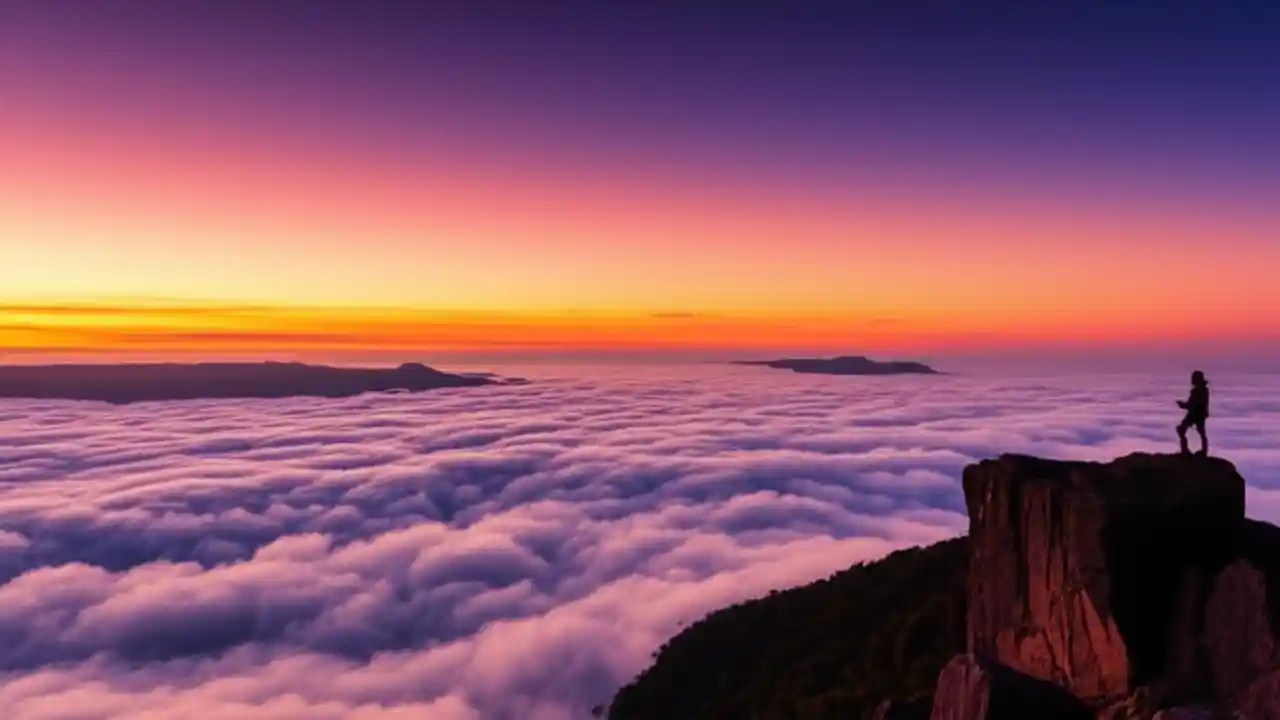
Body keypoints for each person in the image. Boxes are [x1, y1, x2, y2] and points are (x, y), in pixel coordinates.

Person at [1176, 370, 1210, 456]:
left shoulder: (1197, 391)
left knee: (1182, 429)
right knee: (1201, 432)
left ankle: (1186, 451)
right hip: (1199, 414)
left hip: (1195, 414)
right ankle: (1202, 451)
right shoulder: (1204, 390)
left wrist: (1183, 405)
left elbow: (1192, 404)